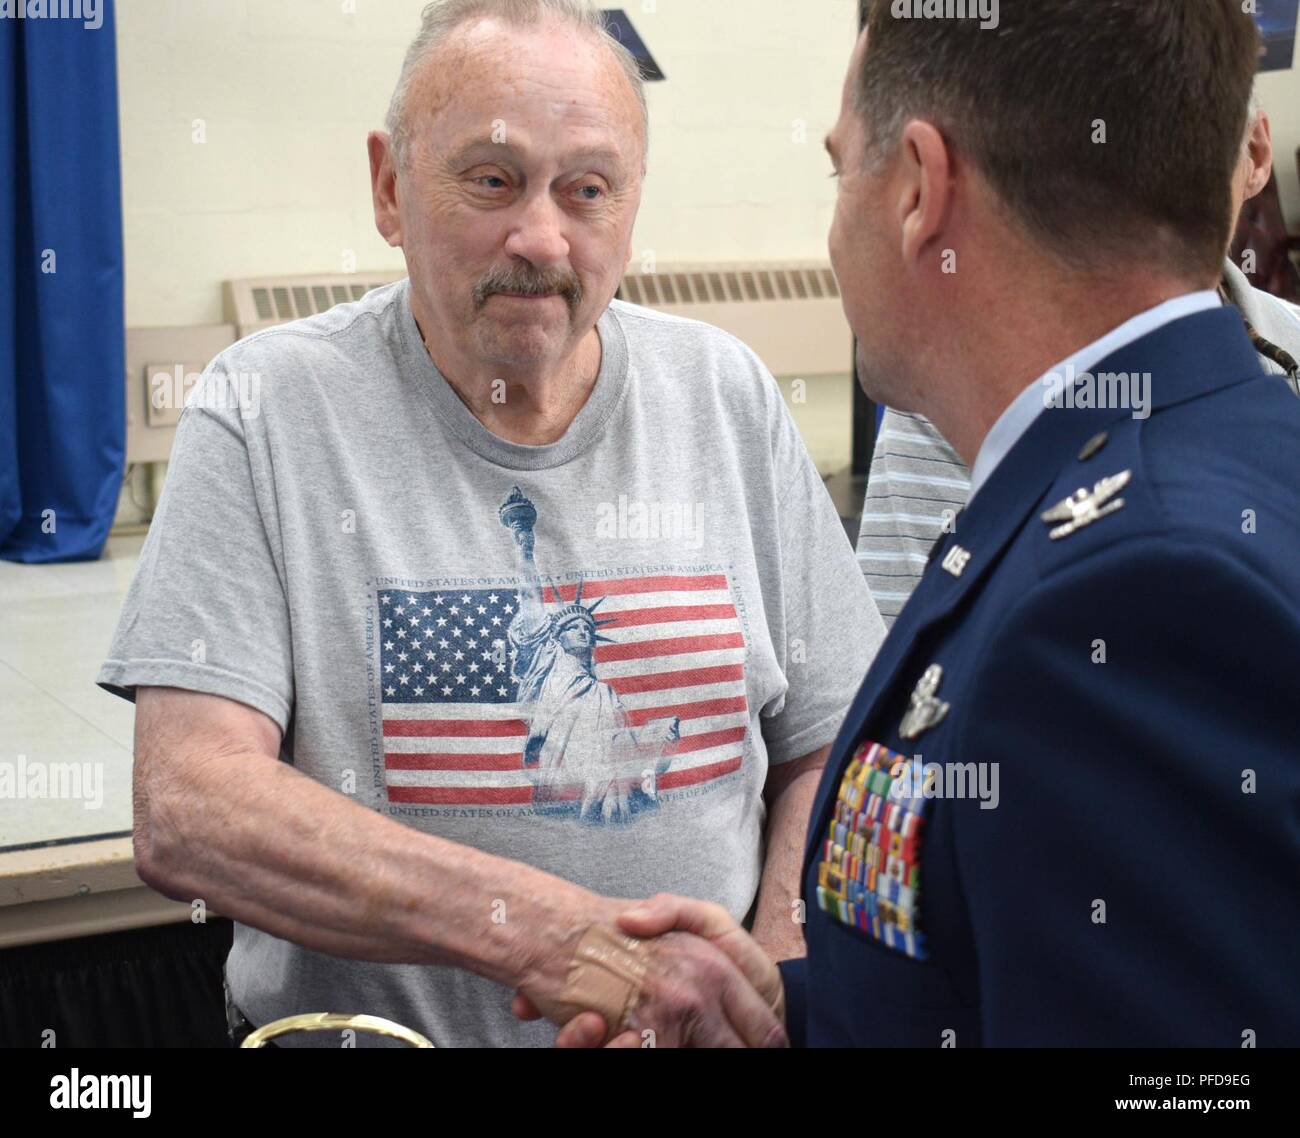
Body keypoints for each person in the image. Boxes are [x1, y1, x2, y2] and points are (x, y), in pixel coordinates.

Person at [97, 0, 882, 1048]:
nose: (541, 236)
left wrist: (763, 986)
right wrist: (545, 937)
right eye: (492, 180)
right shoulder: (268, 407)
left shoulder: (724, 396)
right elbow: (192, 806)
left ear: (631, 205)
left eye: (586, 190)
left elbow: (830, 746)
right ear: (388, 186)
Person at [545, 0, 1300, 1048]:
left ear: (916, 189)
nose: (834, 217)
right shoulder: (1211, 443)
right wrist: (779, 1020)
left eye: (838, 166)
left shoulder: (1136, 596)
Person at [859, 92, 1300, 624]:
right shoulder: (965, 381)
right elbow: (916, 680)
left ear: (1253, 156)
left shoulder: (1288, 347)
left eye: (1181, 140)